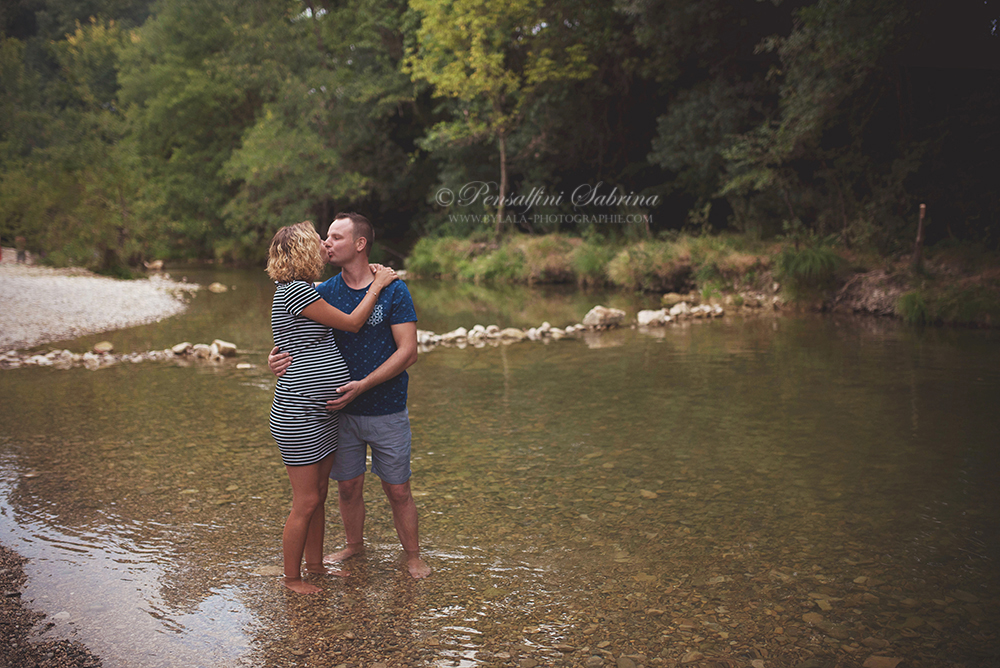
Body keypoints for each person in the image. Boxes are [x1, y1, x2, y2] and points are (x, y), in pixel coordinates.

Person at [269, 212, 430, 579]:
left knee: (398, 490)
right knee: (346, 488)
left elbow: (409, 353)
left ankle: (413, 556)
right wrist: (275, 358)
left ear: (360, 244)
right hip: (334, 412)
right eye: (324, 237)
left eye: (335, 237)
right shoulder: (322, 290)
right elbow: (293, 336)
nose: (326, 243)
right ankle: (353, 547)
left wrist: (364, 383)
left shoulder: (394, 289)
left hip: (386, 407)